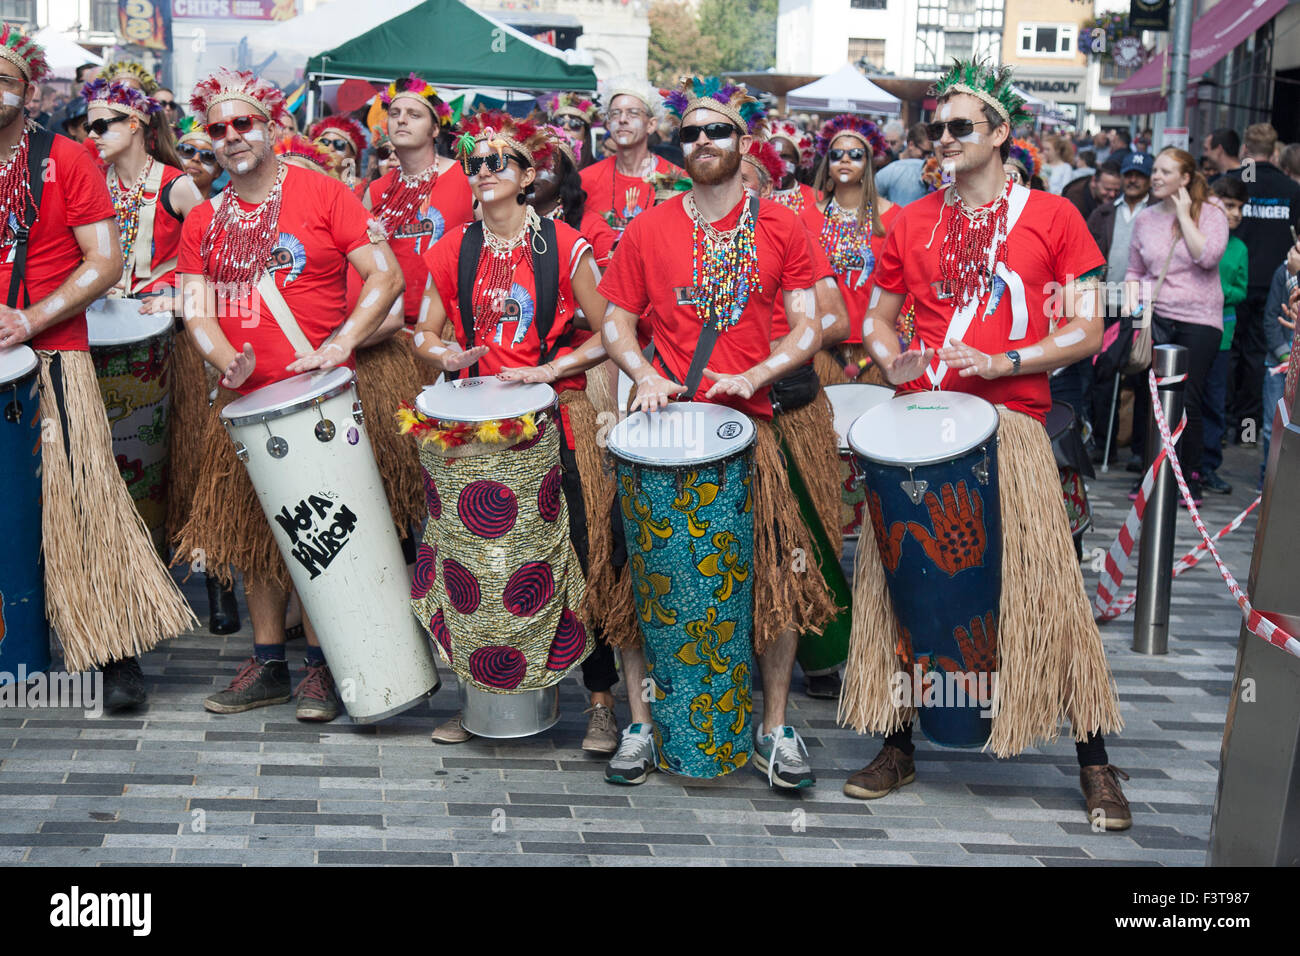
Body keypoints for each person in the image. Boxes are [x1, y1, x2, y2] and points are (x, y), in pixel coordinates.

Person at [839, 58, 1128, 829]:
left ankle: (1095, 762)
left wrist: (1005, 361)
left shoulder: (1056, 218)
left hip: (1014, 428)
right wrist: (884, 350)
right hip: (917, 425)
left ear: (1002, 133)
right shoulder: (909, 220)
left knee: (1048, 593)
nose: (942, 139)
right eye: (935, 128)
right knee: (898, 585)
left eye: (959, 127)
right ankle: (897, 744)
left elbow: (1088, 328)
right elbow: (878, 315)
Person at [597, 76, 837, 789]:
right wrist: (640, 371)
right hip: (661, 432)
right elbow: (614, 319)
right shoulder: (652, 225)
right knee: (639, 578)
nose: (703, 142)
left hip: (751, 430)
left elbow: (810, 324)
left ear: (744, 143)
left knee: (776, 579)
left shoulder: (782, 225)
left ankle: (773, 728)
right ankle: (641, 723)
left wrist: (760, 372)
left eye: (718, 131)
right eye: (692, 133)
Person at [174, 69, 404, 722]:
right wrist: (228, 361)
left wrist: (341, 343)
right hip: (247, 406)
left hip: (323, 403)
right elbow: (196, 307)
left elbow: (384, 277)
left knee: (329, 533)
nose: (230, 136)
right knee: (256, 536)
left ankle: (326, 666)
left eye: (242, 123)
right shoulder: (205, 220)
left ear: (270, 128)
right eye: (217, 129)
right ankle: (270, 663)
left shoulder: (326, 195)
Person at [409, 110, 621, 752]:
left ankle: (602, 703)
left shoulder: (564, 246)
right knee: (470, 560)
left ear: (528, 175)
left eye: (499, 161)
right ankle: (479, 698)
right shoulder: (450, 248)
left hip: (555, 419)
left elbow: (609, 330)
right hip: (471, 429)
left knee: (579, 556)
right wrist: (440, 354)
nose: (484, 171)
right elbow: (422, 329)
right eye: (474, 163)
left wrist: (553, 367)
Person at [0, 27, 196, 712]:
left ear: (28, 91)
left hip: (55, 355)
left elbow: (105, 261)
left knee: (84, 500)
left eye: (4, 79)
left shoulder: (67, 160)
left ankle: (113, 652)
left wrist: (30, 317)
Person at [1126, 148, 1229, 506]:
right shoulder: (1145, 218)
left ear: (1185, 178)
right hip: (1158, 315)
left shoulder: (1212, 212)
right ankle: (1151, 477)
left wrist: (1185, 215)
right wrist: (1134, 304)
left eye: (1165, 172)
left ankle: (1191, 477)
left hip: (1200, 319)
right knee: (1152, 397)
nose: (1155, 177)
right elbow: (1135, 269)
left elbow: (1207, 257)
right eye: (1154, 170)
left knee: (1189, 398)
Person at [802, 113, 895, 387]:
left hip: (876, 350)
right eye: (836, 154)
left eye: (855, 154)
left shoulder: (894, 218)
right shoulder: (806, 219)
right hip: (822, 349)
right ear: (826, 163)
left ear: (867, 163)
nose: (844, 160)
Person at [1223, 124, 1300, 448]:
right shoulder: (1291, 189)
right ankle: (1247, 428)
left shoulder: (1233, 182)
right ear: (1276, 153)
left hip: (1232, 281)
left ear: (1244, 151)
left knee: (1228, 354)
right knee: (1257, 357)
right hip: (1272, 285)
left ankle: (1227, 424)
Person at [1087, 152, 1153, 460]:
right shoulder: (1103, 212)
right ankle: (1105, 444)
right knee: (1104, 373)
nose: (1133, 179)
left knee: (1141, 371)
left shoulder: (1156, 213)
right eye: (1129, 173)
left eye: (1139, 174)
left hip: (1142, 305)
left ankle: (1141, 448)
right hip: (1108, 302)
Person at [580, 77, 684, 237]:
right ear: (608, 125)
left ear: (651, 125)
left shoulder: (678, 180)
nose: (622, 119)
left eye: (633, 113)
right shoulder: (585, 180)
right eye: (615, 113)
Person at [1200, 176, 1249, 495]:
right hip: (1190, 330)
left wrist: (1217, 290)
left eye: (1240, 207)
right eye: (1229, 205)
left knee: (1214, 402)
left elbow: (1241, 290)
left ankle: (1208, 466)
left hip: (1222, 334)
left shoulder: (1239, 248)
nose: (1235, 213)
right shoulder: (1197, 237)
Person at [532, 124, 617, 269]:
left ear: (565, 175)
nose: (531, 172)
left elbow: (608, 287)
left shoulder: (593, 229)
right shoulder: (504, 222)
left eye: (544, 164)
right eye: (525, 164)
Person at [1260, 242, 1299, 486]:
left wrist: (1295, 276)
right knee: (1269, 425)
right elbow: (1271, 318)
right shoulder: (1282, 271)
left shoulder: (1291, 271)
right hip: (1280, 362)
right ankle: (1268, 482)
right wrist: (1286, 358)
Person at [766, 118, 818, 212]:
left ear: (798, 161)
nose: (778, 163)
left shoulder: (816, 198)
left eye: (785, 156)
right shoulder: (753, 196)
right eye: (772, 155)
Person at [874, 122, 932, 207]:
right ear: (911, 144)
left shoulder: (928, 168)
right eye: (925, 152)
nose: (927, 157)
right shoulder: (888, 165)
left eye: (893, 142)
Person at [544, 90, 601, 169]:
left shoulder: (596, 169)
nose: (565, 127)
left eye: (574, 124)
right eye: (560, 122)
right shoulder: (542, 166)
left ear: (585, 136)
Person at [307, 114, 367, 185]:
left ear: (352, 156)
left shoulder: (364, 190)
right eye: (324, 142)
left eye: (339, 144)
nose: (330, 148)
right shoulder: (309, 183)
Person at [174, 116, 220, 199]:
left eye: (207, 156)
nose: (196, 158)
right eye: (187, 150)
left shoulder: (222, 210)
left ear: (218, 171)